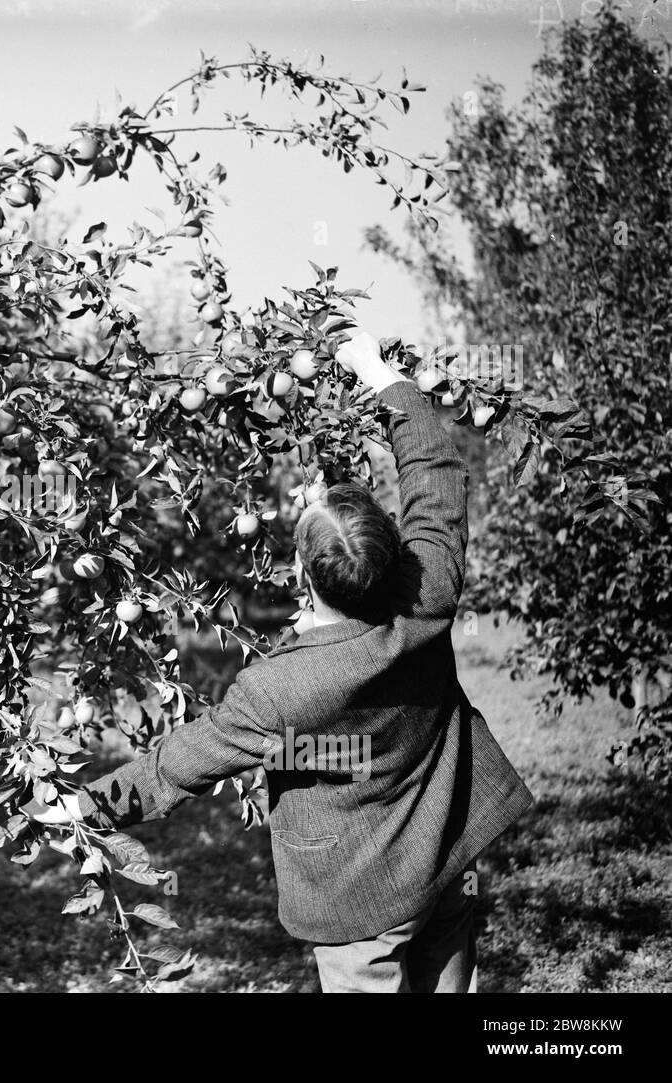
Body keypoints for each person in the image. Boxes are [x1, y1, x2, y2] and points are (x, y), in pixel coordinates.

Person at [28, 330, 534, 993]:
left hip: (359, 905)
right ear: (391, 554)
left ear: (303, 571)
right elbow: (437, 482)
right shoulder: (428, 601)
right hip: (444, 857)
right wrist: (386, 381)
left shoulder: (274, 689)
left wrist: (81, 806)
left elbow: (177, 764)